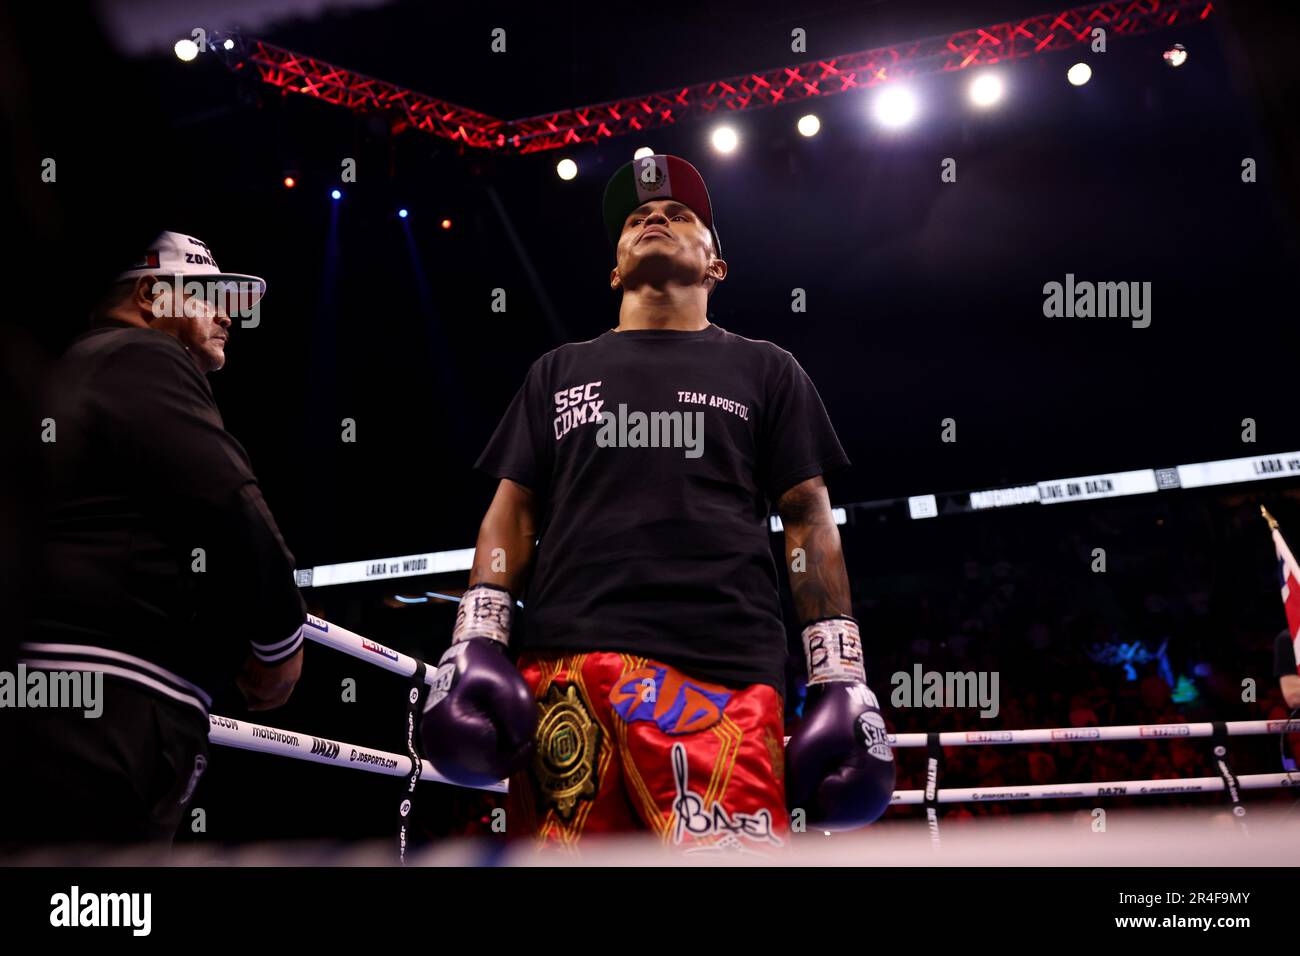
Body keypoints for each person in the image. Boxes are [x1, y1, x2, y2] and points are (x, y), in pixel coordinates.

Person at [422, 156, 894, 850]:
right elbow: (512, 510)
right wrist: (477, 637)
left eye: (680, 215)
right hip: (568, 671)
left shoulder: (767, 368)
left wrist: (840, 673)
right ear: (614, 272)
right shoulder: (558, 371)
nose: (654, 217)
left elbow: (807, 518)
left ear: (716, 267)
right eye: (638, 217)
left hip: (720, 672)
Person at [0, 231, 306, 849]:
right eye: (206, 297)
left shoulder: (59, 373)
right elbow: (232, 505)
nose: (227, 314)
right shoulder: (140, 356)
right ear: (149, 295)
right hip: (107, 714)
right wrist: (279, 642)